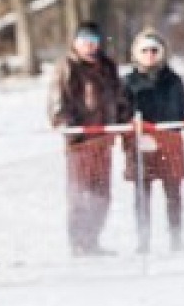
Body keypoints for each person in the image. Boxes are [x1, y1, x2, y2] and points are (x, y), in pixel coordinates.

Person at [50, 21, 131, 256]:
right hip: (80, 142)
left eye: (93, 41)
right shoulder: (68, 66)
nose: (89, 46)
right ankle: (78, 242)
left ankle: (93, 240)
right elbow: (57, 100)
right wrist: (67, 123)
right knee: (80, 194)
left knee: (101, 194)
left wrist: (123, 117)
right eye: (84, 40)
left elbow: (119, 97)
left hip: (103, 140)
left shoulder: (107, 67)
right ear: (76, 43)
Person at [121, 30, 184, 253]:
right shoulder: (128, 82)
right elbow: (120, 115)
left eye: (154, 50)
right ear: (136, 54)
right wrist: (132, 137)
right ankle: (143, 241)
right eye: (145, 51)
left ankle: (176, 239)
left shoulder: (173, 80)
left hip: (170, 142)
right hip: (141, 144)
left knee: (174, 195)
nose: (150, 55)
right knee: (142, 195)